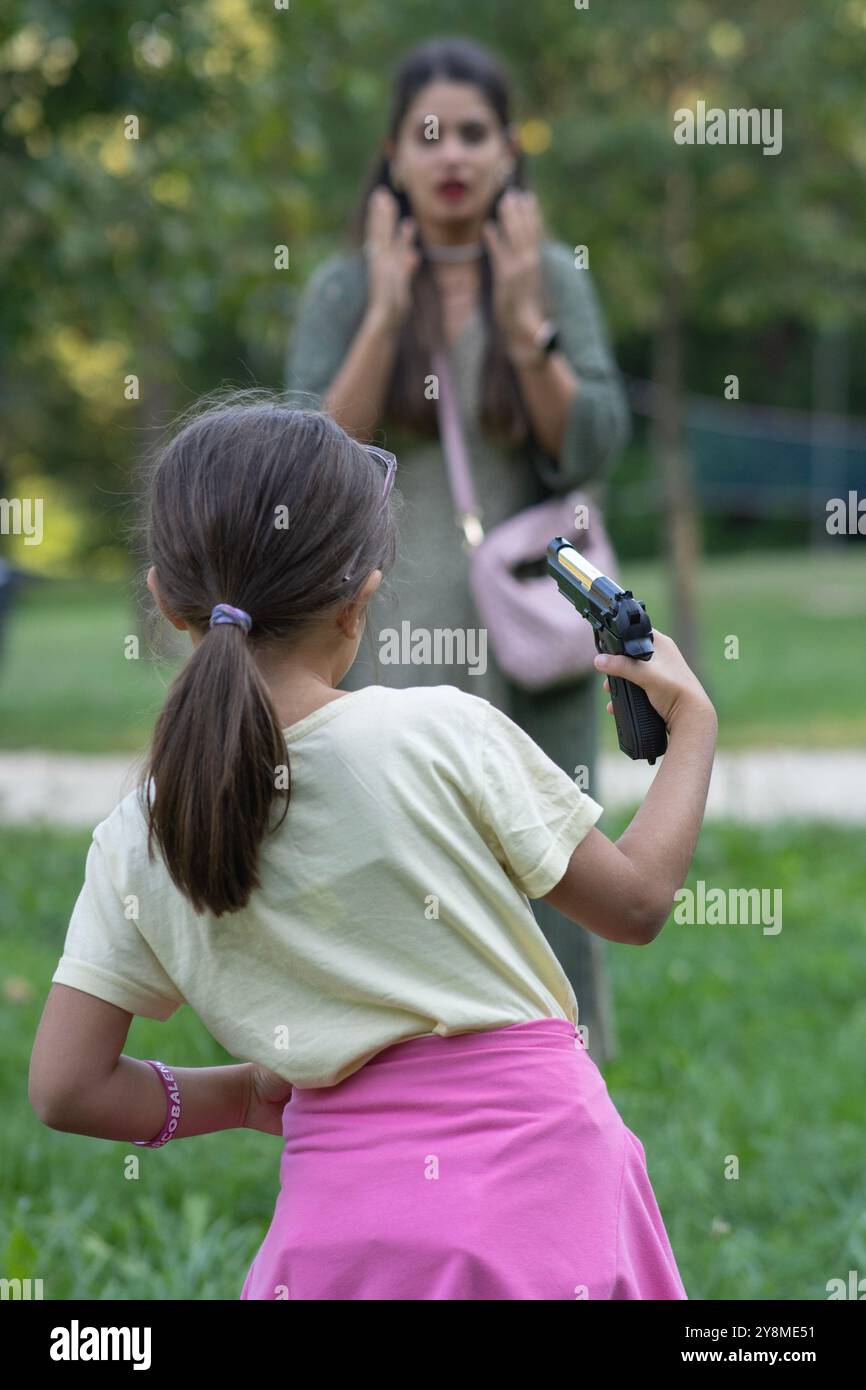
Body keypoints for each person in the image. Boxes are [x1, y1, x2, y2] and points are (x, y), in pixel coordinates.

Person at [29, 396, 717, 1301]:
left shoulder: (136, 837)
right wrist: (694, 721)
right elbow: (634, 906)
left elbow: (67, 1088)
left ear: (163, 599)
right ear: (360, 598)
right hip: (549, 1201)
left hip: (342, 1238)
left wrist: (237, 1097)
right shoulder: (443, 732)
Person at [285, 37, 631, 1067]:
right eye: (427, 134)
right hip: (380, 643)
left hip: (528, 647)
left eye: (474, 134)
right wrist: (389, 310)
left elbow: (596, 446)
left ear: (507, 151)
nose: (451, 155)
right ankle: (406, 1091)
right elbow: (305, 460)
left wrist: (525, 326)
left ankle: (559, 1092)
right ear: (391, 154)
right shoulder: (345, 289)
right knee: (398, 885)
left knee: (547, 883)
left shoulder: (550, 279)